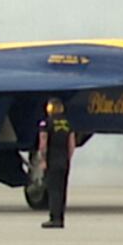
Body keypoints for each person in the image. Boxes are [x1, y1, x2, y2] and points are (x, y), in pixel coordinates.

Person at [38, 98, 75, 229]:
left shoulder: (46, 123)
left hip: (52, 160)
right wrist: (68, 158)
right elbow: (71, 144)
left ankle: (54, 219)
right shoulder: (67, 123)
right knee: (62, 189)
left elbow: (43, 144)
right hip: (64, 160)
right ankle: (61, 218)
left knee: (54, 190)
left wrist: (42, 160)